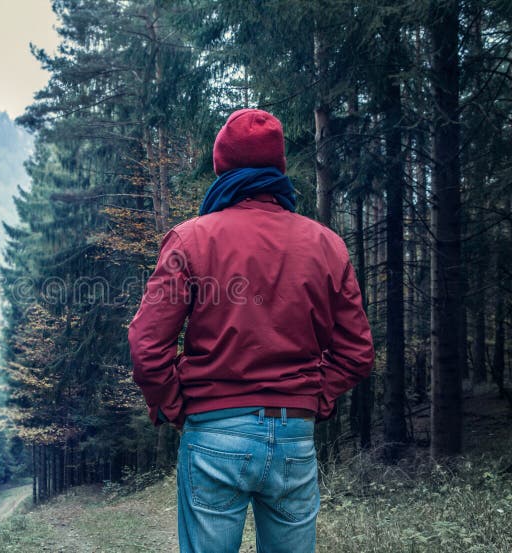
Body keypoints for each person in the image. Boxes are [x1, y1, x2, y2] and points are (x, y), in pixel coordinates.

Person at [127, 108, 374, 553]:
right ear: (277, 169)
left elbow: (147, 346)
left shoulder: (191, 240)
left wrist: (176, 406)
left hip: (214, 434)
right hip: (294, 439)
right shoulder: (326, 245)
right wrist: (315, 396)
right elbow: (357, 352)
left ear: (222, 168)